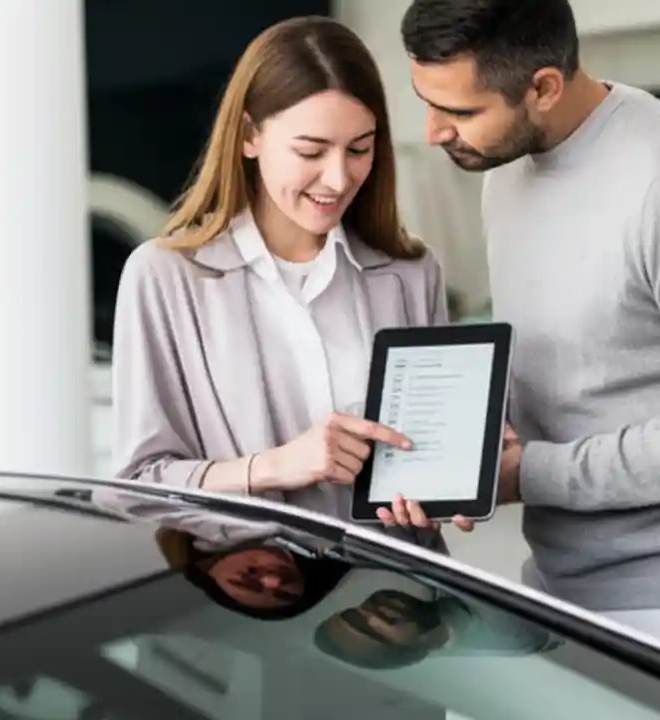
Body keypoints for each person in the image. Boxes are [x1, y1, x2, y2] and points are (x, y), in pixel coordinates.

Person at [401, 0, 660, 686]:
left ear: (544, 87)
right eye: (427, 102)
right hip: (558, 602)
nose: (434, 132)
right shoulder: (503, 174)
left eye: (461, 112)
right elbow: (577, 373)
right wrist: (465, 454)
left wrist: (532, 474)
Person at [112, 16, 473, 538]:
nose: (338, 178)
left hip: (397, 598)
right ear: (248, 136)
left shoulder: (411, 275)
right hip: (253, 604)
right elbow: (137, 487)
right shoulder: (166, 278)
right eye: (310, 151)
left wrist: (454, 475)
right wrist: (276, 467)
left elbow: (428, 468)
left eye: (359, 149)